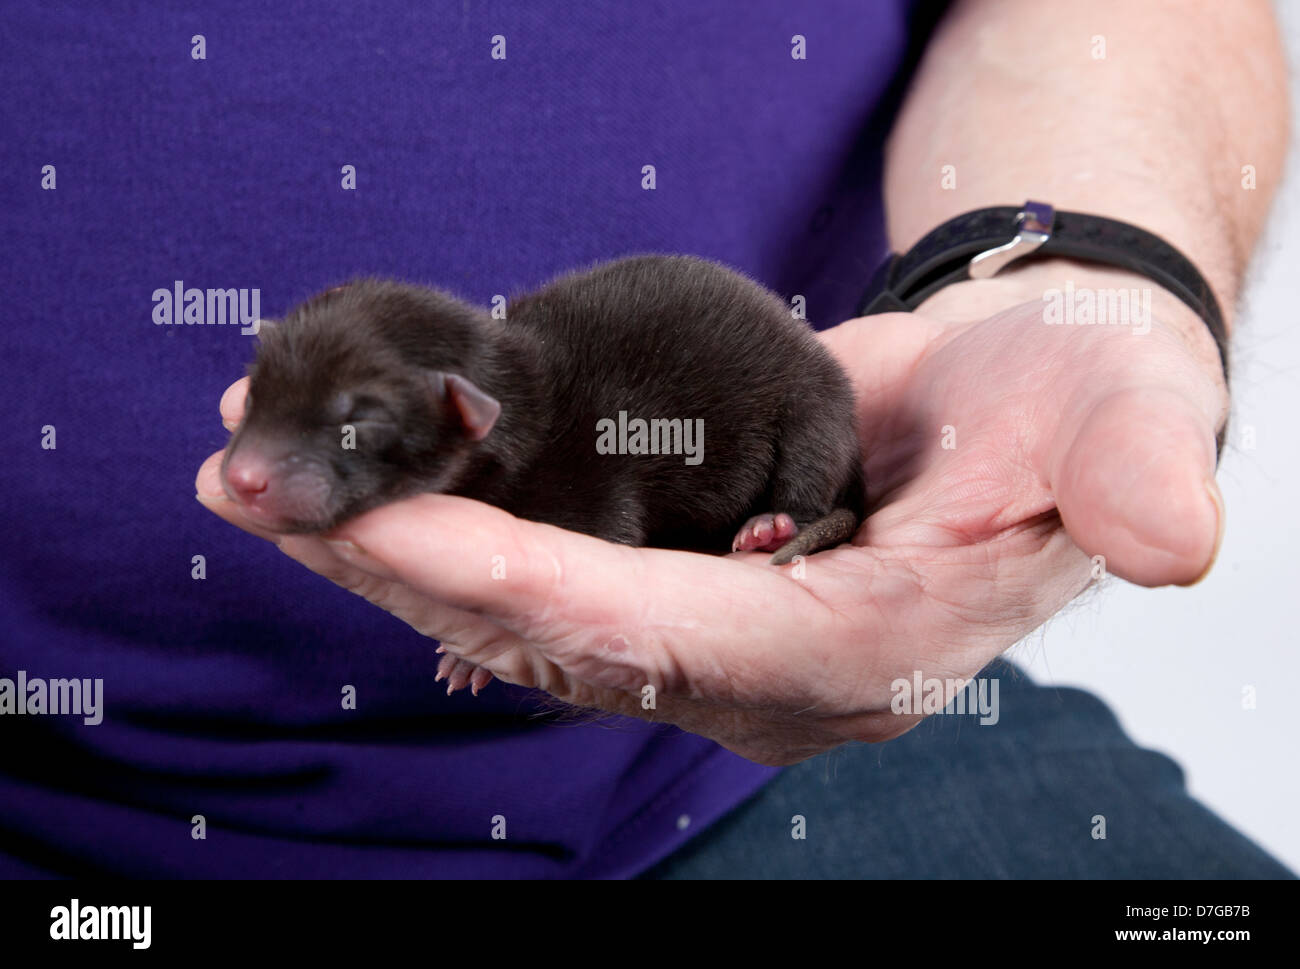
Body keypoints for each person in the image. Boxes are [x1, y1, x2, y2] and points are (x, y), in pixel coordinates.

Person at [2, 0, 1291, 878]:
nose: (250, 473)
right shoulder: (493, 409)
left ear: (467, 424)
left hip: (757, 771)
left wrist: (1080, 274)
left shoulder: (564, 454)